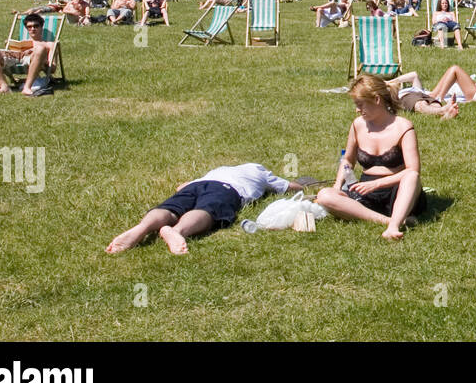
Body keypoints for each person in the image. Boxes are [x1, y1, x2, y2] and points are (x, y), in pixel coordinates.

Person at [315, 75, 428, 239]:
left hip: (398, 190)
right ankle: (388, 221)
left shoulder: (403, 127)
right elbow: (348, 160)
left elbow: (413, 170)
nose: (357, 109)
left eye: (360, 104)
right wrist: (337, 186)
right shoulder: (357, 125)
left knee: (412, 176)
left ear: (376, 99)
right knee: (325, 195)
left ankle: (393, 227)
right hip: (366, 192)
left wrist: (377, 183)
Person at [107, 163, 303, 255]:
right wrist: (302, 186)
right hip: (228, 190)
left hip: (200, 184)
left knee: (171, 207)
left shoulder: (219, 169)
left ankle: (141, 228)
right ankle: (177, 231)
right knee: (208, 210)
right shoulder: (259, 171)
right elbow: (287, 187)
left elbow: (181, 187)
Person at [0, 13, 57, 95]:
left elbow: (53, 69)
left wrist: (43, 60)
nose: (33, 29)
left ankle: (27, 88)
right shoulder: (22, 43)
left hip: (31, 59)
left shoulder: (49, 44)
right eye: (29, 27)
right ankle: (4, 87)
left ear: (41, 27)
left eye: (36, 26)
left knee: (40, 49)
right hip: (16, 56)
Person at [384, 71, 461, 119]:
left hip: (424, 94)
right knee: (420, 104)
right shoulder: (399, 94)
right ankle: (444, 110)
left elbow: (414, 75)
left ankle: (445, 115)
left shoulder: (416, 88)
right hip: (407, 96)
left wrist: (389, 82)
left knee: (435, 105)